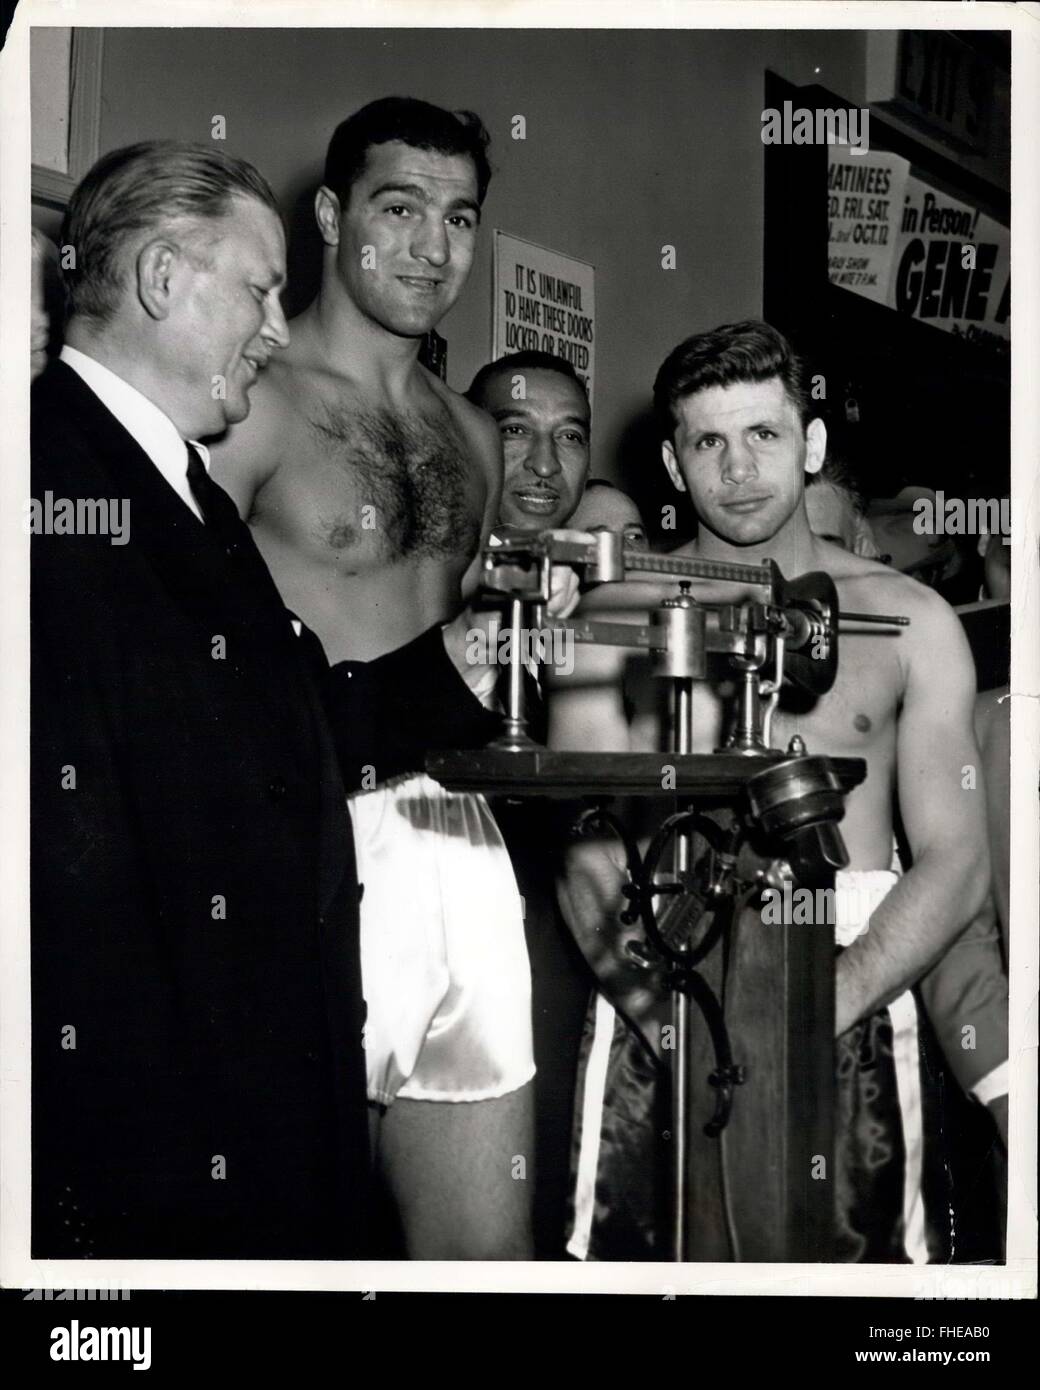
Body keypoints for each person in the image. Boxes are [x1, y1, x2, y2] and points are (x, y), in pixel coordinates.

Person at [31, 139, 511, 1261]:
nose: (276, 327)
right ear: (161, 281)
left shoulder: (178, 489)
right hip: (148, 1146)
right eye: (255, 289)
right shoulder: (46, 479)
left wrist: (462, 670)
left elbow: (275, 747)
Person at [555, 320, 992, 1262]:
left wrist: (832, 1000)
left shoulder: (912, 621)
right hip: (659, 986)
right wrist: (676, 1022)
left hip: (851, 985)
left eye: (764, 434)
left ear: (814, 444)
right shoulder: (613, 614)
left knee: (858, 1278)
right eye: (708, 442)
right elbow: (588, 851)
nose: (739, 468)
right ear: (673, 465)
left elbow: (957, 860)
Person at [209, 99, 547, 1258]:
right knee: (308, 1237)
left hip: (460, 830)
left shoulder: (475, 434)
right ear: (328, 215)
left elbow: (472, 654)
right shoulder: (248, 403)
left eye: (457, 219)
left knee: (482, 1261)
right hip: (310, 835)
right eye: (398, 210)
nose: (430, 247)